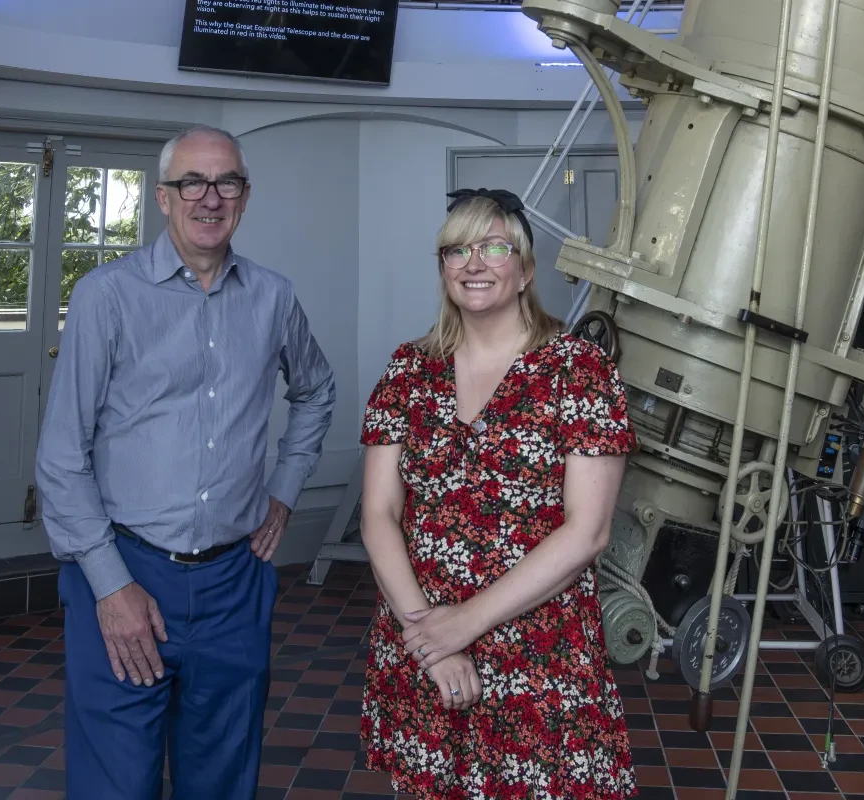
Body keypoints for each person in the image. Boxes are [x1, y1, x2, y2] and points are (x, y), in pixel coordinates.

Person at [35, 125, 336, 799]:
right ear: (163, 199)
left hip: (234, 581)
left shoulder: (273, 298)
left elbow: (317, 390)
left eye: (226, 181)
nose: (209, 197)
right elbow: (60, 458)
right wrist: (111, 589)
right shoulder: (105, 296)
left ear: (245, 197)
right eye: (191, 183)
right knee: (117, 784)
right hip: (123, 572)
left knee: (222, 781)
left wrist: (283, 491)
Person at [358, 188, 639, 798]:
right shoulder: (408, 371)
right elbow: (378, 515)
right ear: (442, 268)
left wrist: (463, 625)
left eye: (493, 247)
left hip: (536, 652)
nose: (473, 262)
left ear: (526, 270)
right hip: (422, 638)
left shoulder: (578, 372)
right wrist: (429, 638)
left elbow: (587, 533)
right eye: (456, 249)